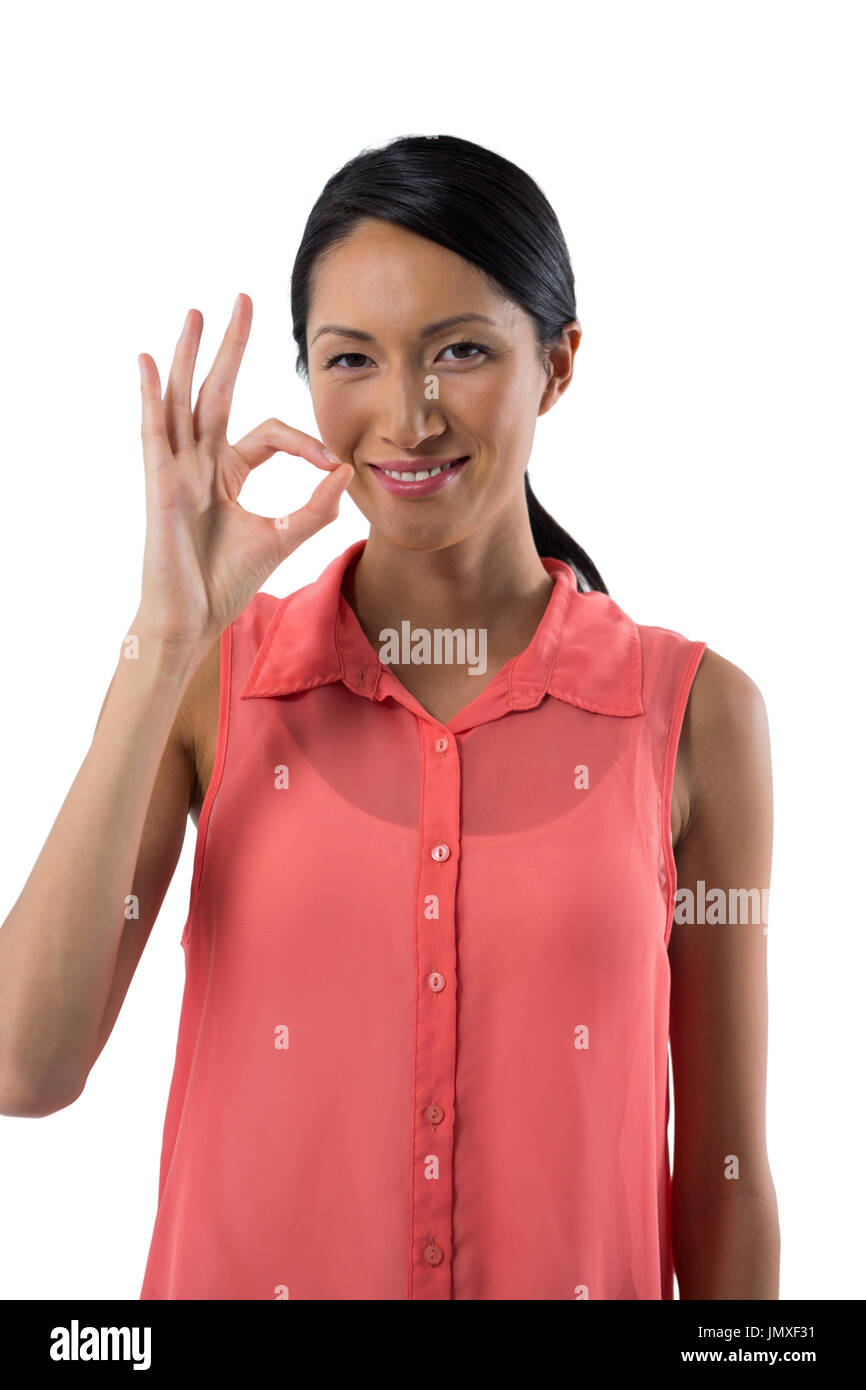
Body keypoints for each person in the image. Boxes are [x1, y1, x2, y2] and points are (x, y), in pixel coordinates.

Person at [0, 134, 779, 1300]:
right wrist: (162, 642)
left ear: (556, 365)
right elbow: (24, 1065)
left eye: (460, 350)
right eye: (350, 358)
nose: (406, 416)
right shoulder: (215, 680)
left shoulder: (692, 714)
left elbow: (721, 1177)